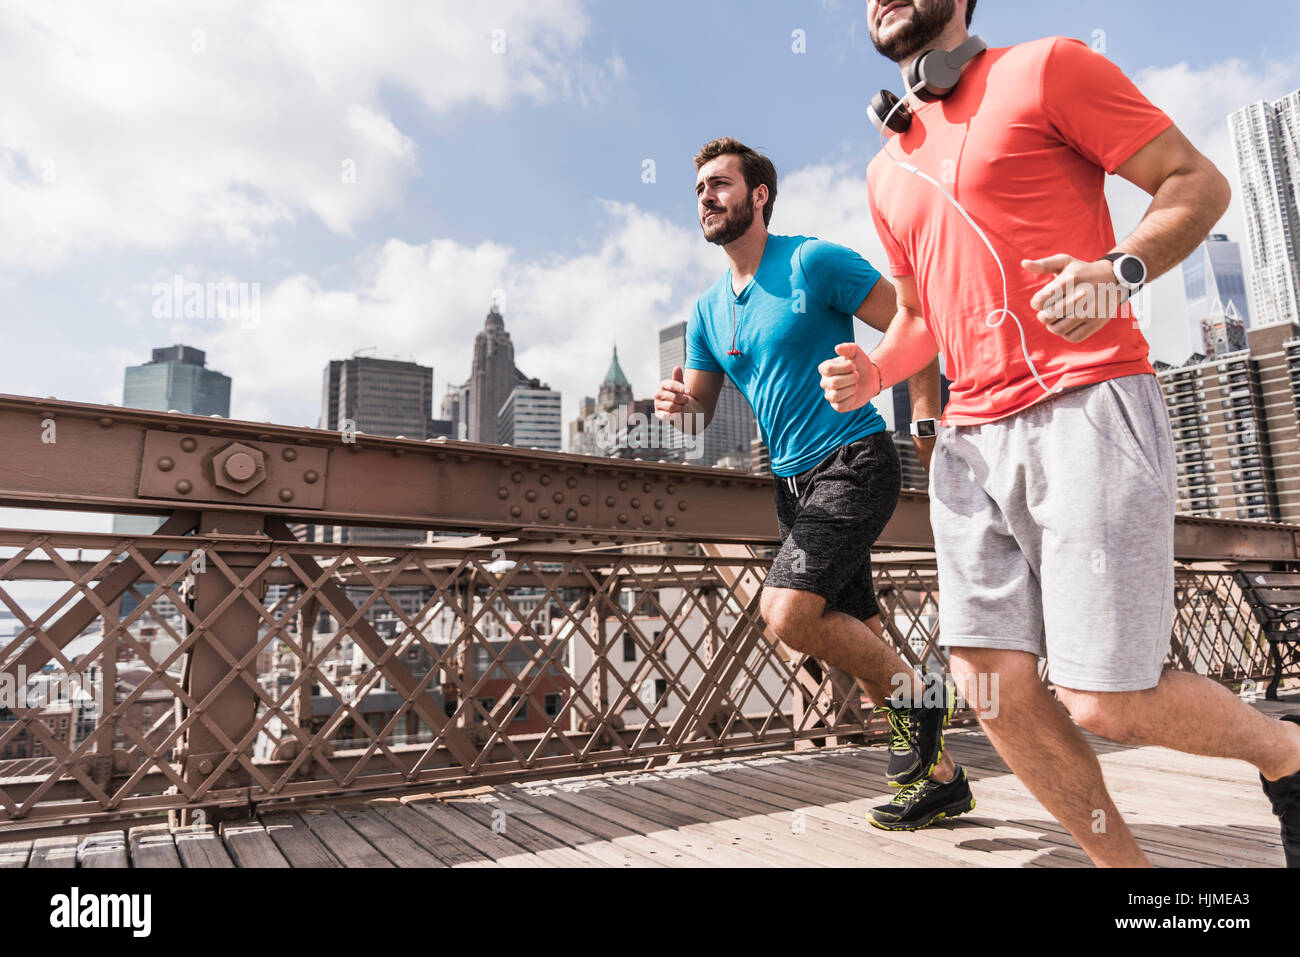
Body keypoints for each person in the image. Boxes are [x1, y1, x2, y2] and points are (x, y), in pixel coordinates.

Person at [818, 0, 1300, 865]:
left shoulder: (1048, 68)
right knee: (987, 683)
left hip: (1086, 403)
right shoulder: (887, 169)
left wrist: (1119, 271)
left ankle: (1290, 754)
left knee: (1105, 700)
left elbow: (1197, 182)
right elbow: (922, 317)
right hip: (970, 439)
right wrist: (877, 371)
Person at [655, 136, 975, 830]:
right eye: (700, 189)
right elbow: (700, 415)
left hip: (855, 459)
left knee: (789, 614)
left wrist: (925, 415)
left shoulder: (812, 260)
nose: (707, 198)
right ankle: (941, 779)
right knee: (855, 629)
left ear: (758, 194)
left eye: (720, 184)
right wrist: (677, 406)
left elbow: (917, 326)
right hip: (792, 484)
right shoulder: (706, 310)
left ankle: (921, 700)